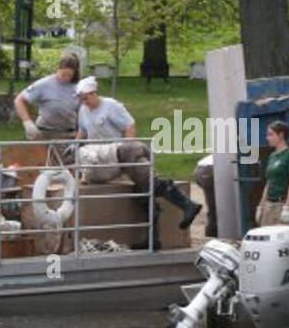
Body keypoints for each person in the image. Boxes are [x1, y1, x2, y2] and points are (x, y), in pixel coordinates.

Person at [73, 75, 201, 233]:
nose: (84, 102)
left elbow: (129, 125)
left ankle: (155, 236)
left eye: (86, 98)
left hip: (118, 154)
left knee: (143, 184)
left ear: (94, 93)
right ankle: (186, 205)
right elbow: (82, 131)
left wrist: (128, 148)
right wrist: (74, 144)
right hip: (99, 158)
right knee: (146, 180)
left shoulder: (111, 106)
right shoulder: (83, 111)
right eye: (81, 99)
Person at [15, 53, 81, 140]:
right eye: (63, 74)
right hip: (44, 133)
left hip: (69, 134)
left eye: (69, 75)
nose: (65, 78)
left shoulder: (78, 87)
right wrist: (27, 123)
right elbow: (19, 100)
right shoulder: (44, 84)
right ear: (58, 69)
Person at [256, 121, 289, 228]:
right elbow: (269, 183)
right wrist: (261, 206)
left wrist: (288, 206)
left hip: (282, 204)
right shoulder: (272, 156)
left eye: (271, 134)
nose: (267, 138)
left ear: (281, 135)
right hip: (269, 205)